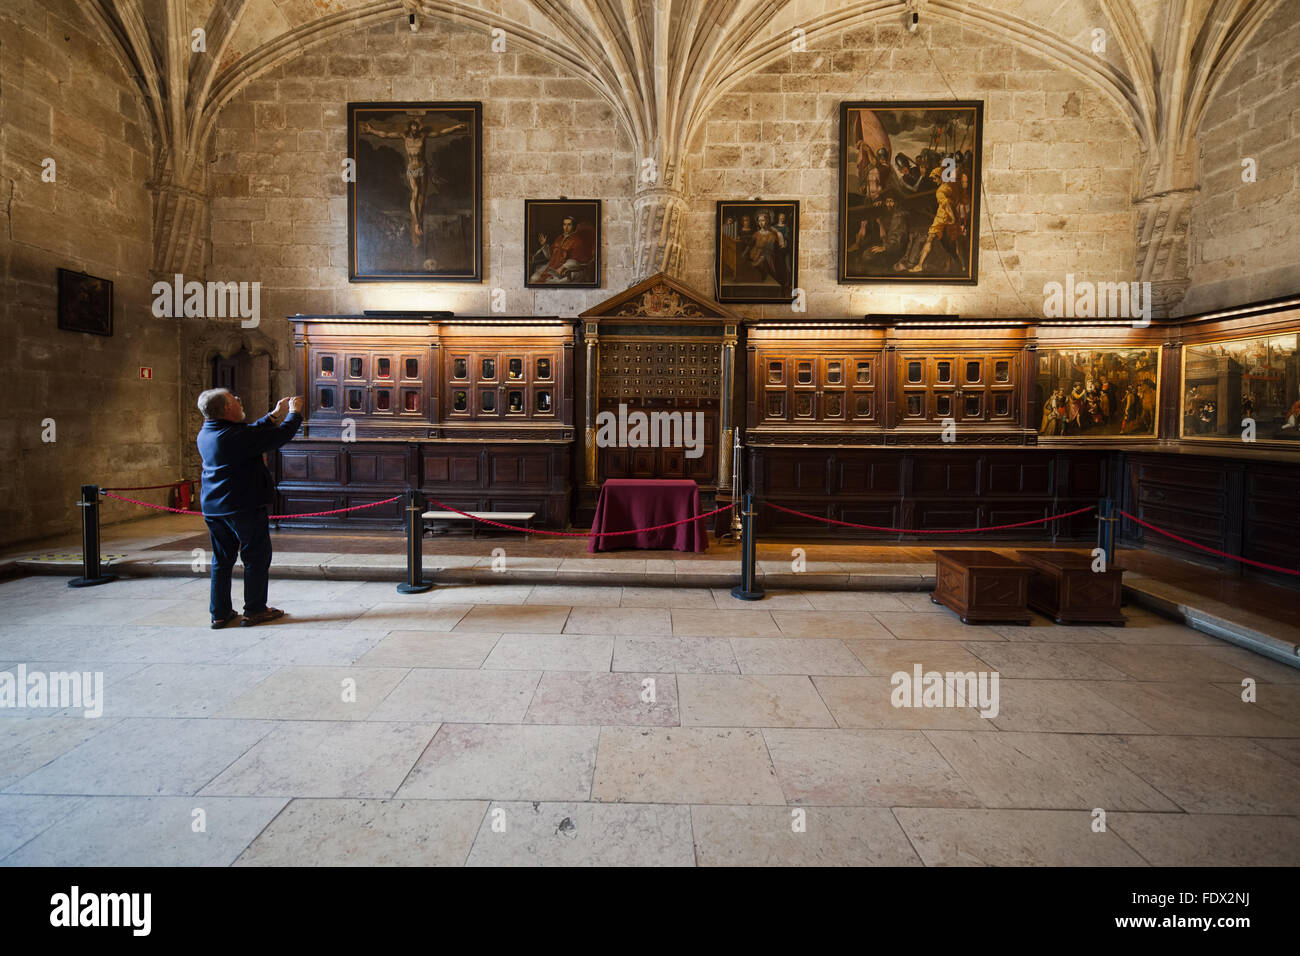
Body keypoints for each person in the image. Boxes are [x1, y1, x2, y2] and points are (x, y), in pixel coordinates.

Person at [196, 388, 304, 628]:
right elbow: (278, 437)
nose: (239, 400)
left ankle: (220, 613)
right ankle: (255, 610)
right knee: (255, 556)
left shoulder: (208, 432)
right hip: (241, 505)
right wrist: (294, 414)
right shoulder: (233, 437)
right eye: (235, 399)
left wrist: (273, 415)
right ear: (226, 408)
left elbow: (250, 432)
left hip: (214, 507)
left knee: (222, 560)